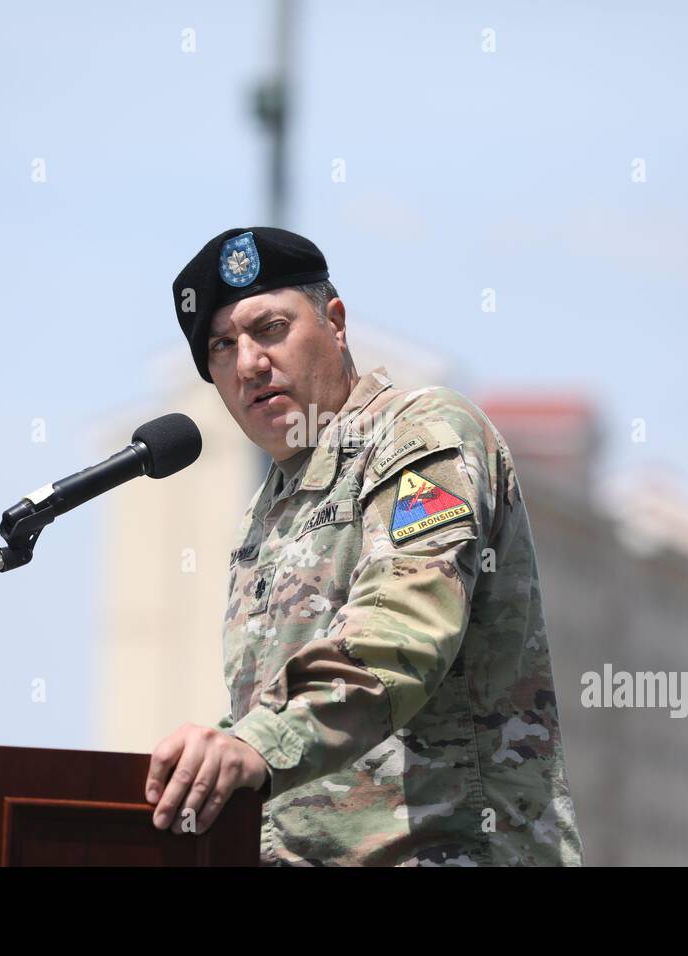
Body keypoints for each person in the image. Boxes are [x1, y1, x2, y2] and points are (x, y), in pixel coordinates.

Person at [146, 226, 583, 866]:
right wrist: (204, 761)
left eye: (270, 328)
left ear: (336, 322)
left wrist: (253, 749)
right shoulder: (268, 512)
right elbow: (278, 709)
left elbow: (402, 632)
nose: (248, 363)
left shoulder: (421, 434)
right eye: (221, 345)